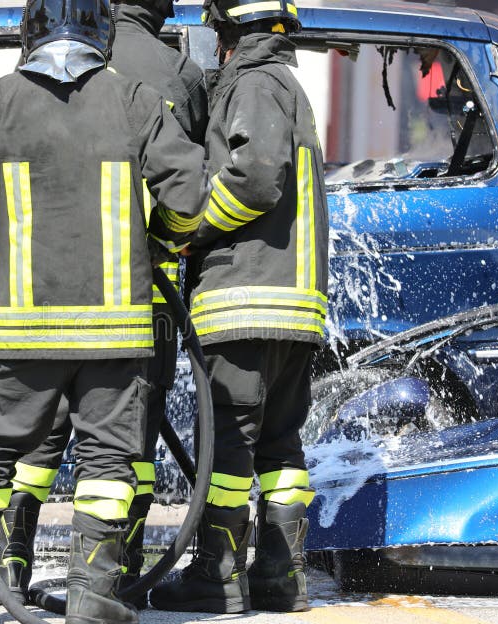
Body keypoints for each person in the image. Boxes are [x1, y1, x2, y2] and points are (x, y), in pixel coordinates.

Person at [0, 0, 209, 621]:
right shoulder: (132, 101)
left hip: (20, 331)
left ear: (30, 29)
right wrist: (154, 241)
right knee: (107, 461)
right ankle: (92, 596)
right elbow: (188, 196)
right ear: (102, 29)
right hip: (113, 333)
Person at [149, 0, 329, 614]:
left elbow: (254, 177)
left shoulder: (253, 83)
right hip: (294, 307)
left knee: (229, 445)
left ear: (229, 31)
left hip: (244, 300)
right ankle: (280, 579)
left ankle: (215, 577)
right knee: (280, 446)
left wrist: (187, 229)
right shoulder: (288, 85)